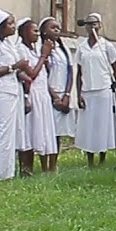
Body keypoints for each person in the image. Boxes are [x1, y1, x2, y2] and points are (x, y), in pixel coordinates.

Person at [0, 7, 29, 181]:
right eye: (9, 23)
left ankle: (6, 173)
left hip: (12, 92)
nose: (13, 26)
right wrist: (14, 67)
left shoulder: (7, 44)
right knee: (0, 134)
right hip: (0, 92)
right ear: (0, 26)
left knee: (10, 135)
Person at [75, 13, 116, 167]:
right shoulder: (82, 48)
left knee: (102, 124)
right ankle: (89, 159)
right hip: (88, 91)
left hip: (103, 91)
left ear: (100, 25)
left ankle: (102, 157)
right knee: (89, 125)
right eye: (88, 24)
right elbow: (79, 72)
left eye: (94, 24)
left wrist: (109, 83)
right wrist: (79, 94)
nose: (91, 27)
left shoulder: (106, 46)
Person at [16, 18, 57, 175]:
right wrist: (43, 56)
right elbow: (31, 73)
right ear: (25, 32)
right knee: (29, 130)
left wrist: (45, 56)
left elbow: (43, 72)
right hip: (31, 94)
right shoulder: (20, 49)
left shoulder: (34, 49)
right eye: (34, 31)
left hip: (42, 94)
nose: (37, 34)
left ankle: (43, 168)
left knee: (40, 130)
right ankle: (26, 168)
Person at [39, 16, 74, 173]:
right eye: (52, 28)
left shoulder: (63, 50)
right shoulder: (41, 50)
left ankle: (53, 165)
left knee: (57, 133)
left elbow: (70, 72)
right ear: (44, 31)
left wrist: (67, 94)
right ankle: (44, 165)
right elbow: (42, 75)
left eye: (58, 28)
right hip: (48, 94)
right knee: (46, 131)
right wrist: (54, 97)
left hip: (62, 93)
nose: (57, 30)